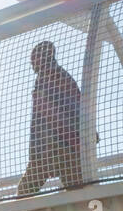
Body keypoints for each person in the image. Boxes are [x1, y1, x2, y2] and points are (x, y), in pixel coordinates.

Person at [17, 40, 83, 196]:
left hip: (57, 147)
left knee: (24, 193)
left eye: (34, 58)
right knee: (80, 192)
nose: (32, 63)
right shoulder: (60, 75)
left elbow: (47, 112)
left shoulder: (49, 76)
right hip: (64, 145)